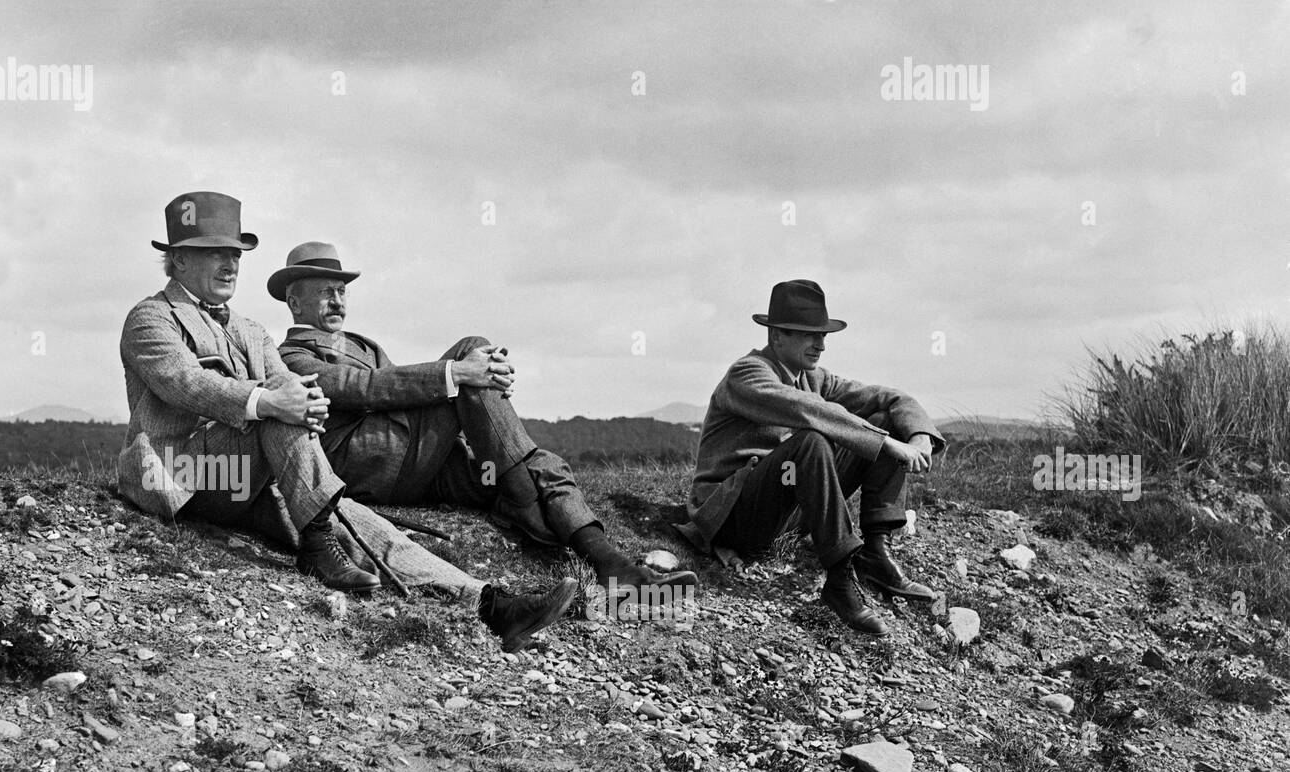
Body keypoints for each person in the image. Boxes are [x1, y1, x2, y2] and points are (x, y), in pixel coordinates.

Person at [117, 192, 575, 652]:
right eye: (213, 252)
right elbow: (186, 383)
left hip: (245, 477)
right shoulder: (151, 317)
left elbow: (291, 387)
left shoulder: (251, 330)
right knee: (281, 417)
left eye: (235, 253)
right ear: (177, 260)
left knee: (364, 524)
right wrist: (274, 401)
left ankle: (492, 605)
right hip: (180, 472)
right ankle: (318, 544)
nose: (230, 263)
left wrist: (307, 402)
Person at [271, 242, 696, 612]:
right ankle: (525, 499)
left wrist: (480, 392)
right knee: (471, 350)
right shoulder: (288, 356)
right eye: (326, 291)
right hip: (368, 464)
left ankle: (614, 567)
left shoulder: (362, 344)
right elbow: (365, 388)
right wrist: (464, 372)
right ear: (294, 301)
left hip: (422, 463)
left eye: (342, 291)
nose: (338, 300)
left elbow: (405, 392)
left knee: (538, 464)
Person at [684, 279, 946, 638]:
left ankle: (875, 553)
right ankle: (839, 580)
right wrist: (885, 445)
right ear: (777, 336)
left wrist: (917, 437)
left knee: (887, 420)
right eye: (809, 334)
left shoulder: (814, 378)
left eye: (823, 335)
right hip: (734, 514)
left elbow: (889, 399)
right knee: (813, 441)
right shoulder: (747, 374)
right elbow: (806, 410)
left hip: (785, 511)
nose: (821, 344)